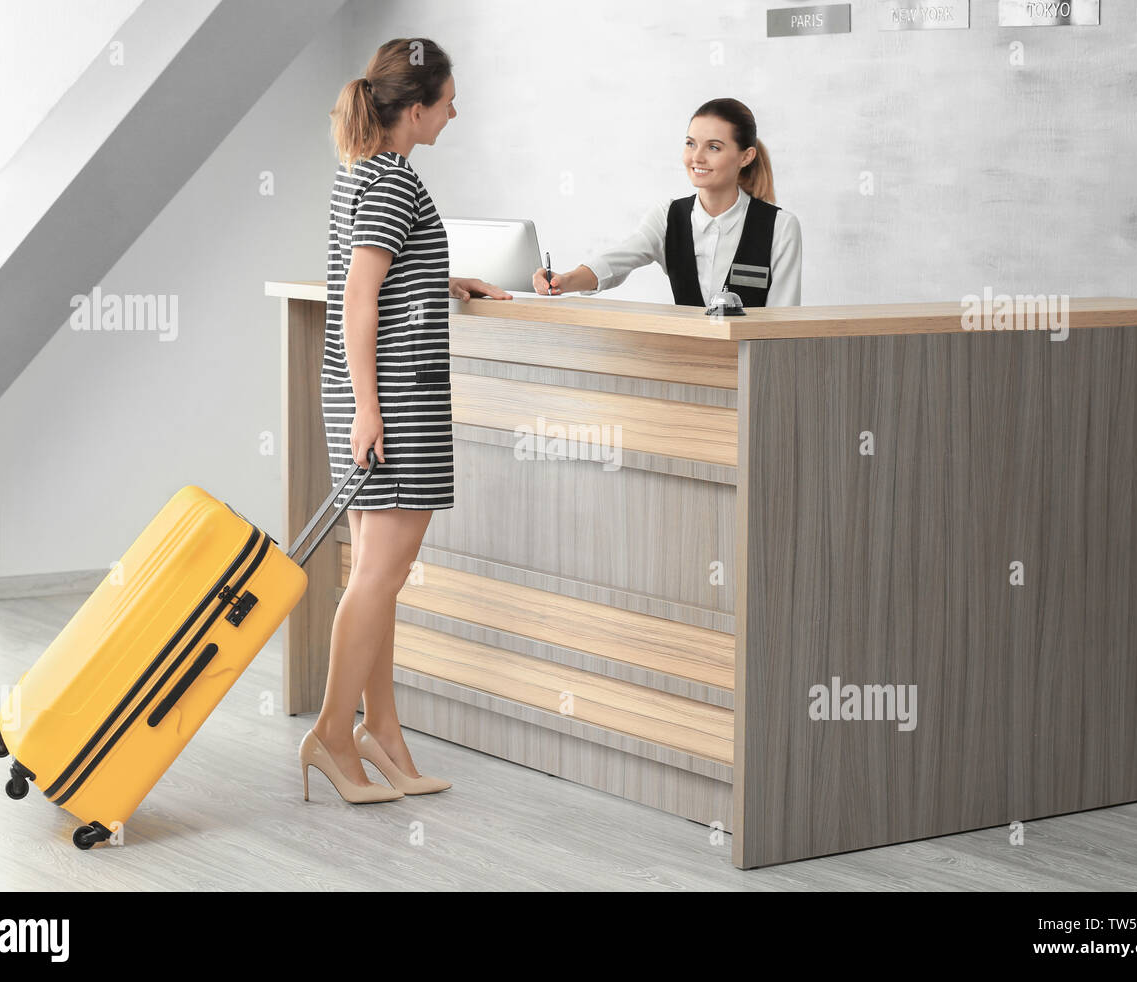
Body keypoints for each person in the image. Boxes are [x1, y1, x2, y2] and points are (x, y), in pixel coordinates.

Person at [301, 37, 511, 804]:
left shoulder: (366, 174)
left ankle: (381, 730)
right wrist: (369, 407)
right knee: (382, 576)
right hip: (394, 400)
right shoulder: (391, 183)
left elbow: (378, 280)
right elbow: (357, 298)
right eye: (448, 101)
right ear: (415, 109)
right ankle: (331, 733)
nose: (455, 113)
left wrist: (441, 277)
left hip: (380, 394)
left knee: (376, 579)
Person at [533, 98, 801, 308]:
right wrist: (564, 281)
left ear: (746, 156)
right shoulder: (667, 216)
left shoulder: (781, 227)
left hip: (755, 368)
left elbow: (783, 321)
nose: (697, 157)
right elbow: (615, 261)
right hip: (683, 364)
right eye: (690, 143)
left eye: (714, 147)